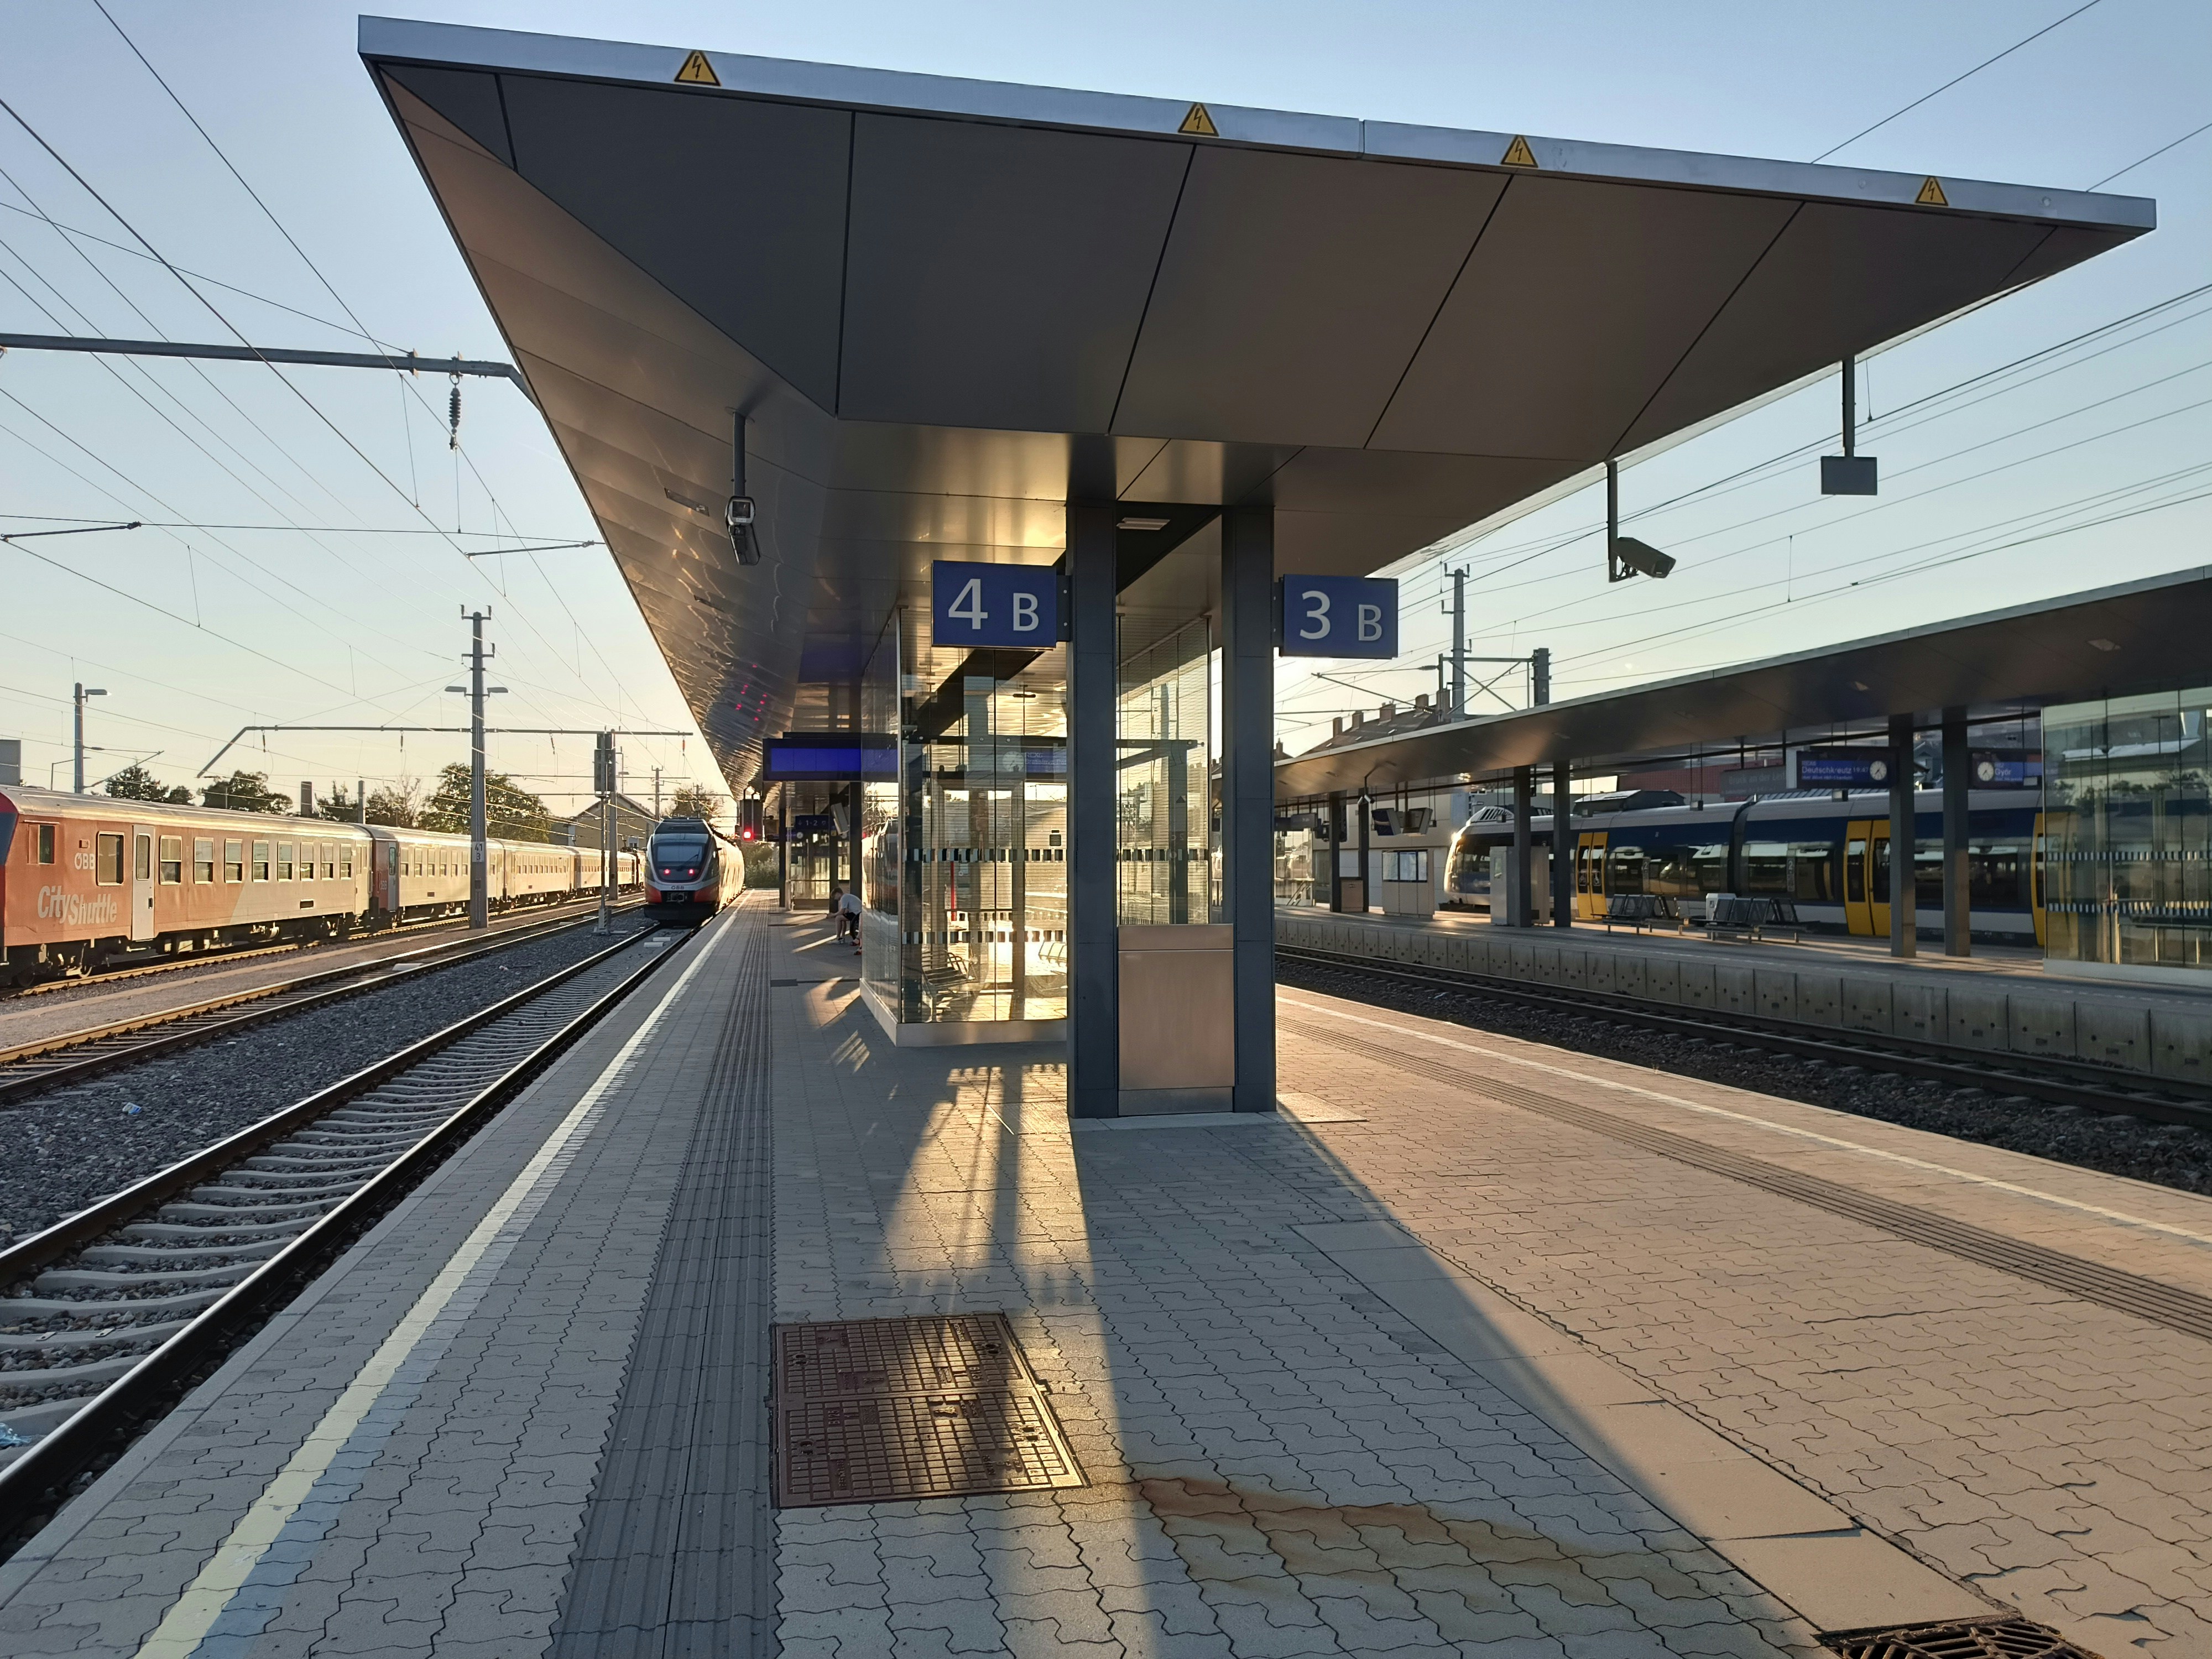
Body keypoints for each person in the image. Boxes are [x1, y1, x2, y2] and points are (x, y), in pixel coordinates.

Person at [837, 883, 863, 948]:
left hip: (857, 913)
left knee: (838, 918)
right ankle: (842, 937)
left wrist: (832, 915)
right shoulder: (848, 896)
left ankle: (838, 937)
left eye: (835, 896)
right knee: (842, 918)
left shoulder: (843, 898)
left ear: (838, 893)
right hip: (858, 912)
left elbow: (842, 911)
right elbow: (845, 912)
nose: (835, 899)